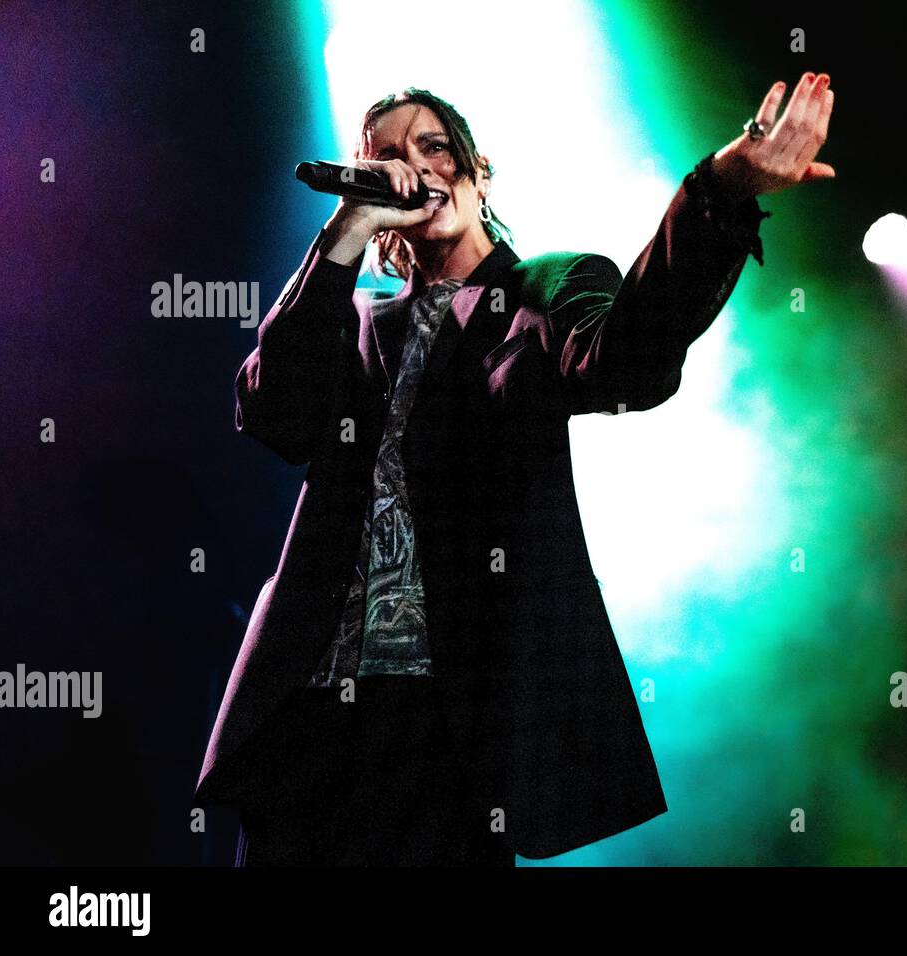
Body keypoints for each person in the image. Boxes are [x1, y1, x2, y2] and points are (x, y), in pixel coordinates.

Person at [194, 73, 835, 866]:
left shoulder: (545, 290)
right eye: (389, 156)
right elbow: (273, 415)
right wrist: (348, 225)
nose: (418, 169)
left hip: (452, 722)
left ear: (478, 170)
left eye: (434, 147)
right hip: (313, 721)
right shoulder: (353, 318)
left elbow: (627, 359)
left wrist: (719, 193)